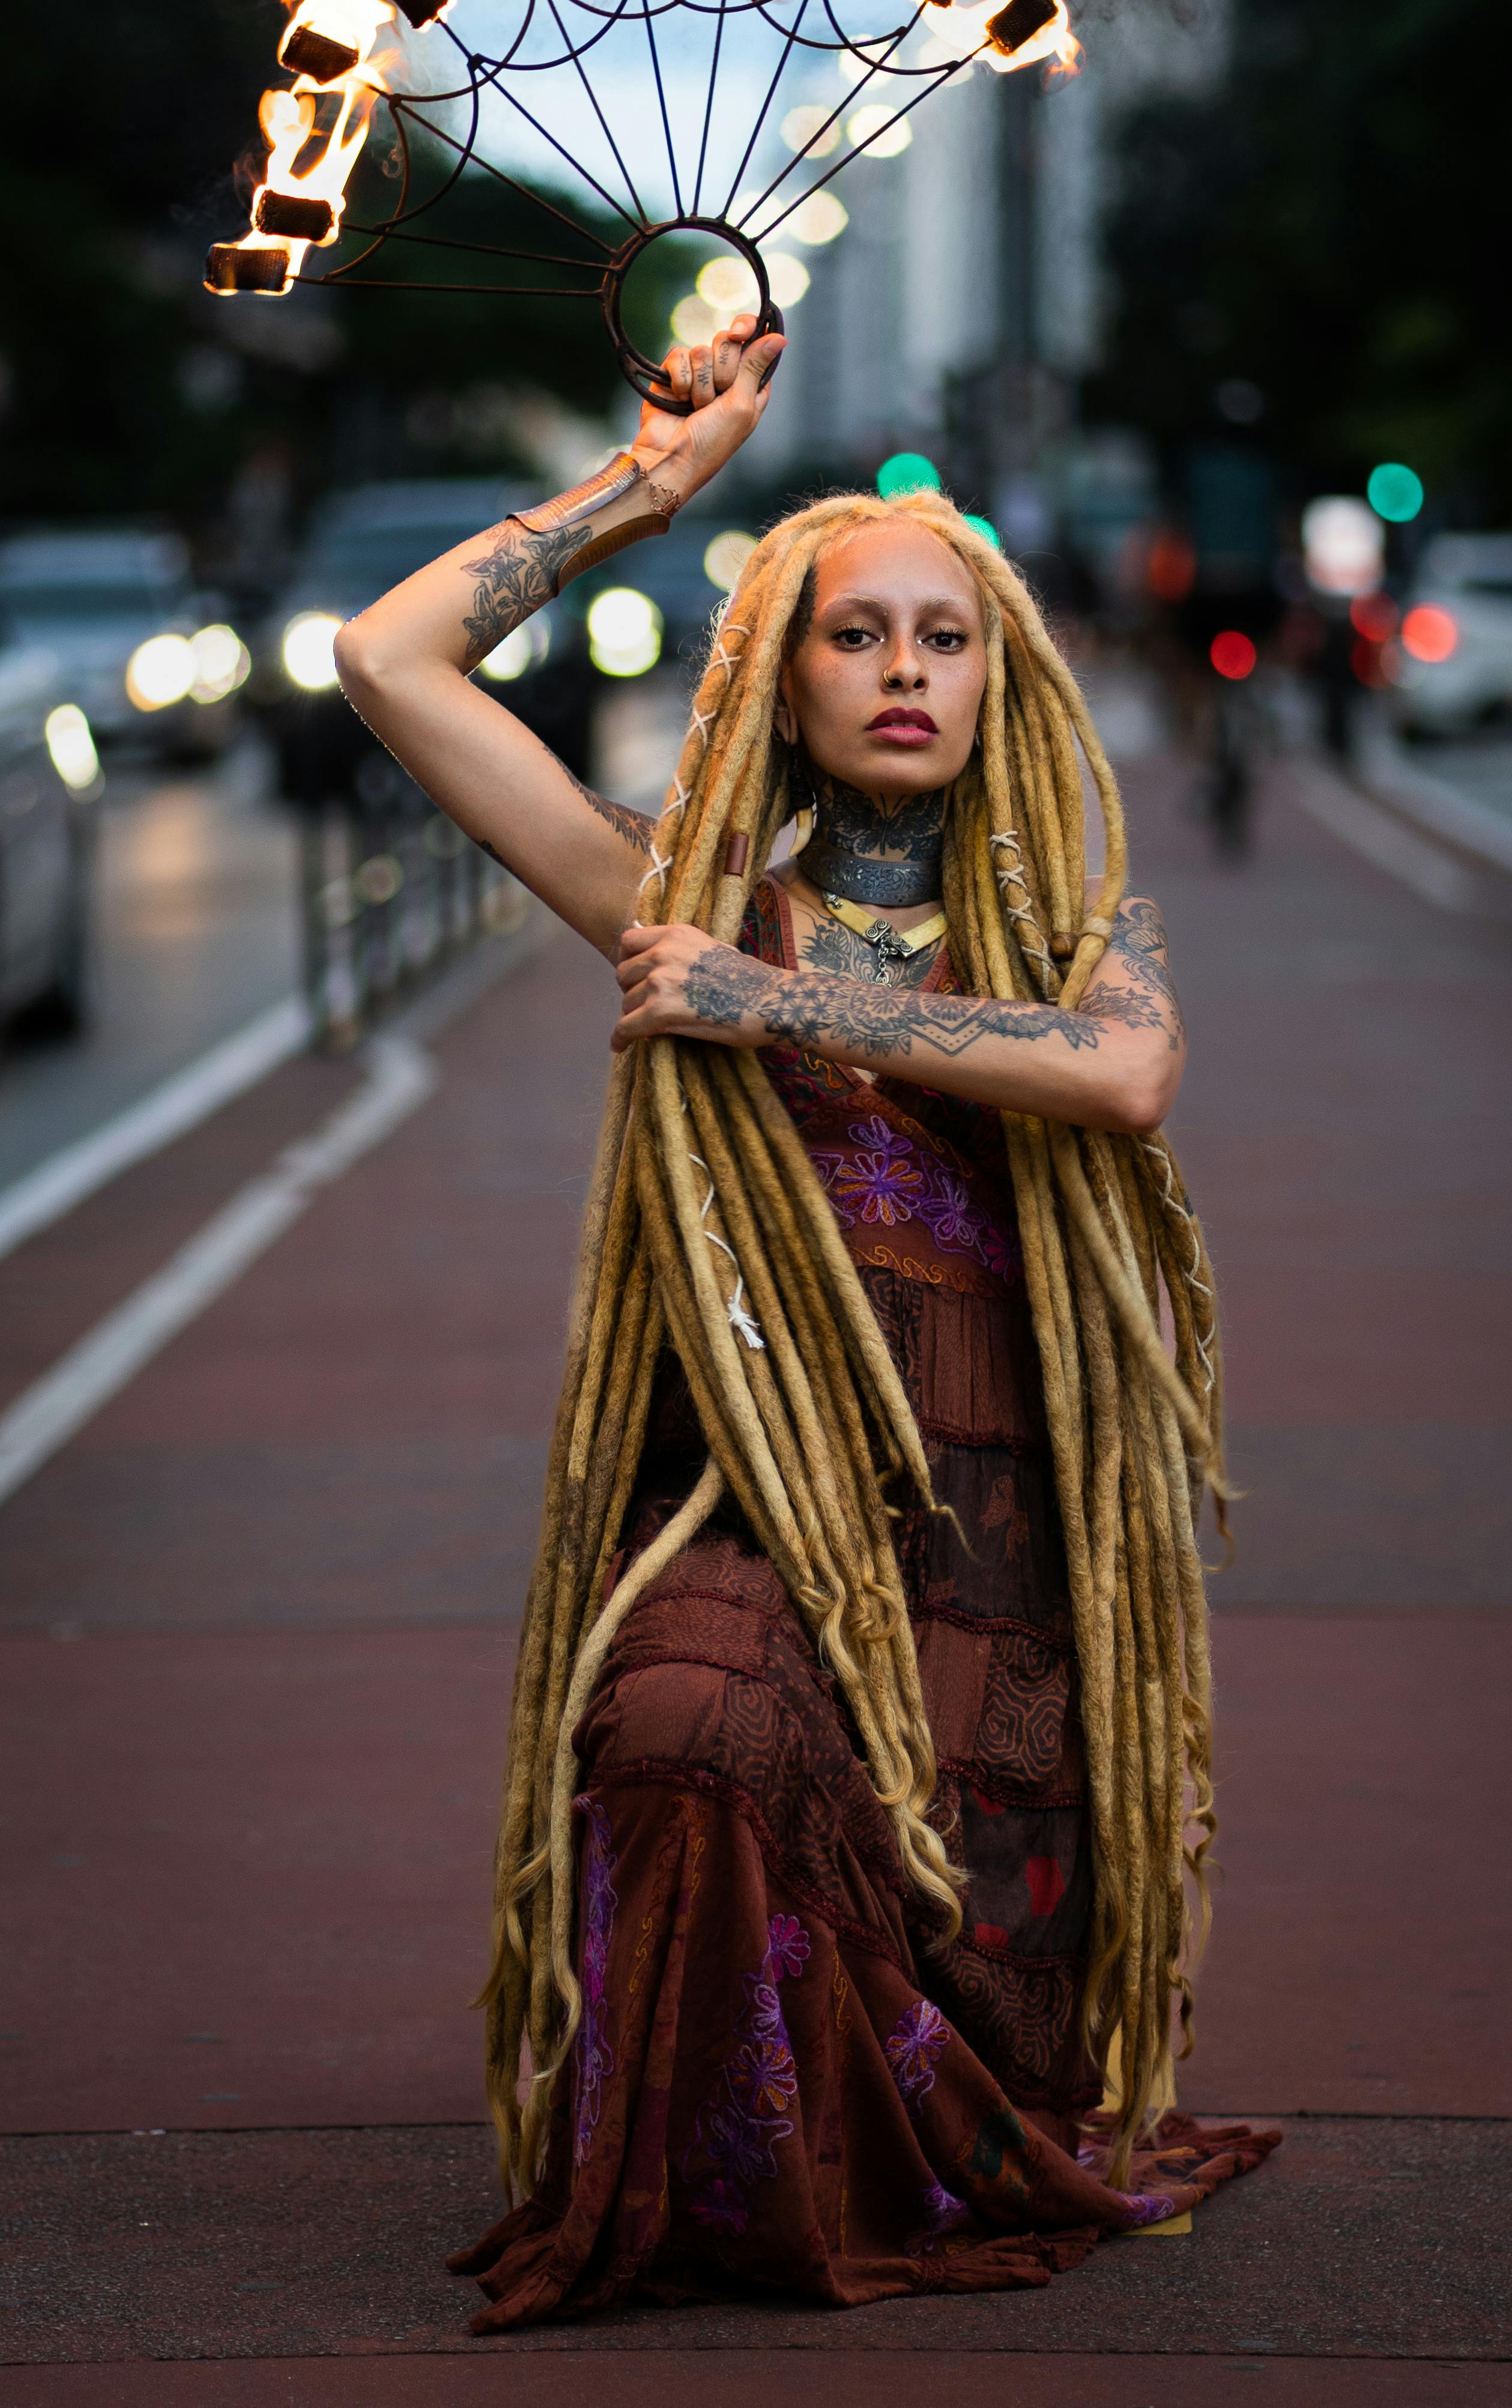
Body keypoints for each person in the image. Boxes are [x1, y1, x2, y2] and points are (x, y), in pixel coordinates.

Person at [335, 317, 1277, 2331]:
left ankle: (913, 2138)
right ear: (785, 670)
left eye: (947, 636)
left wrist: (773, 1005)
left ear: (1000, 671)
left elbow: (1122, 1079)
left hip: (999, 1515)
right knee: (673, 1725)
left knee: (976, 1942)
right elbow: (388, 663)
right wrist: (657, 483)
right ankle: (706, 2180)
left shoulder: (1076, 926)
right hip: (758, 1486)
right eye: (858, 636)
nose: (909, 669)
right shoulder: (685, 897)